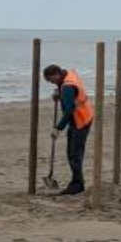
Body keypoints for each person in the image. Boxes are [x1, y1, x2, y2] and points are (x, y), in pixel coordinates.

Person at [41, 64, 94, 195]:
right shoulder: (67, 76)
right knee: (72, 152)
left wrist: (58, 128)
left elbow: (69, 109)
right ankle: (77, 182)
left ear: (57, 74)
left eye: (52, 80)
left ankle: (77, 185)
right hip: (83, 116)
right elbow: (69, 95)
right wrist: (59, 92)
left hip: (80, 120)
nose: (51, 82)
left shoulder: (68, 86)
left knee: (74, 154)